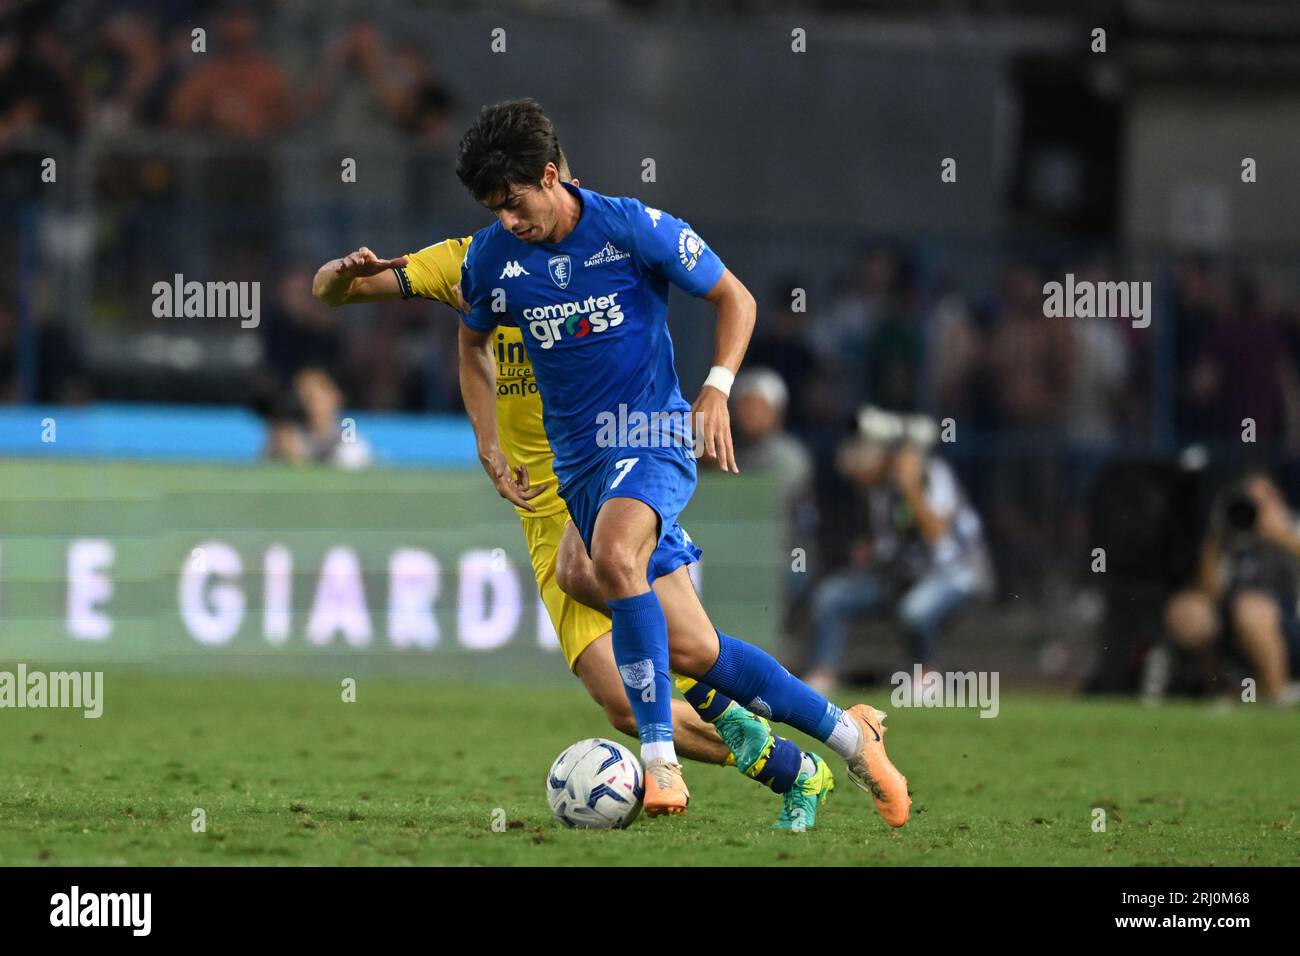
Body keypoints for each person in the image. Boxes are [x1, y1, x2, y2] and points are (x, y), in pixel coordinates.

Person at [310, 154, 829, 830]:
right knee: (619, 701)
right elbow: (340, 294)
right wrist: (334, 277)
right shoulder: (471, 263)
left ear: (556, 181)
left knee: (683, 650)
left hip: (621, 476)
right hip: (546, 509)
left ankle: (774, 739)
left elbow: (714, 294)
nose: (522, 217)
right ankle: (786, 762)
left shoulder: (610, 244)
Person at [455, 98, 908, 824]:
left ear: (549, 176)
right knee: (681, 639)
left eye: (513, 203)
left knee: (610, 559)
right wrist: (487, 439)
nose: (508, 220)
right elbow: (472, 343)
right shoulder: (490, 258)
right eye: (493, 209)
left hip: (653, 435)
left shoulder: (632, 226)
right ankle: (851, 740)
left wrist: (717, 388)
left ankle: (660, 766)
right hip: (580, 466)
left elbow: (735, 298)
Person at [805, 412, 994, 691]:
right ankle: (823, 672)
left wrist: (911, 487)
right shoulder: (879, 491)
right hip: (901, 577)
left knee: (914, 611)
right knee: (831, 597)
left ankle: (925, 674)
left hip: (956, 574)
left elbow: (937, 536)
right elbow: (888, 545)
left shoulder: (933, 473)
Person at [1163, 471, 1300, 705]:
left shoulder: (1292, 526)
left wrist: (1280, 535)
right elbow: (1208, 592)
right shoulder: (1234, 533)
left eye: (1261, 502)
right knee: (1186, 610)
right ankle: (1217, 690)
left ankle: (1279, 693)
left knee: (1251, 607)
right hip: (1235, 623)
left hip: (1289, 624)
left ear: (1277, 499)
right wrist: (1216, 540)